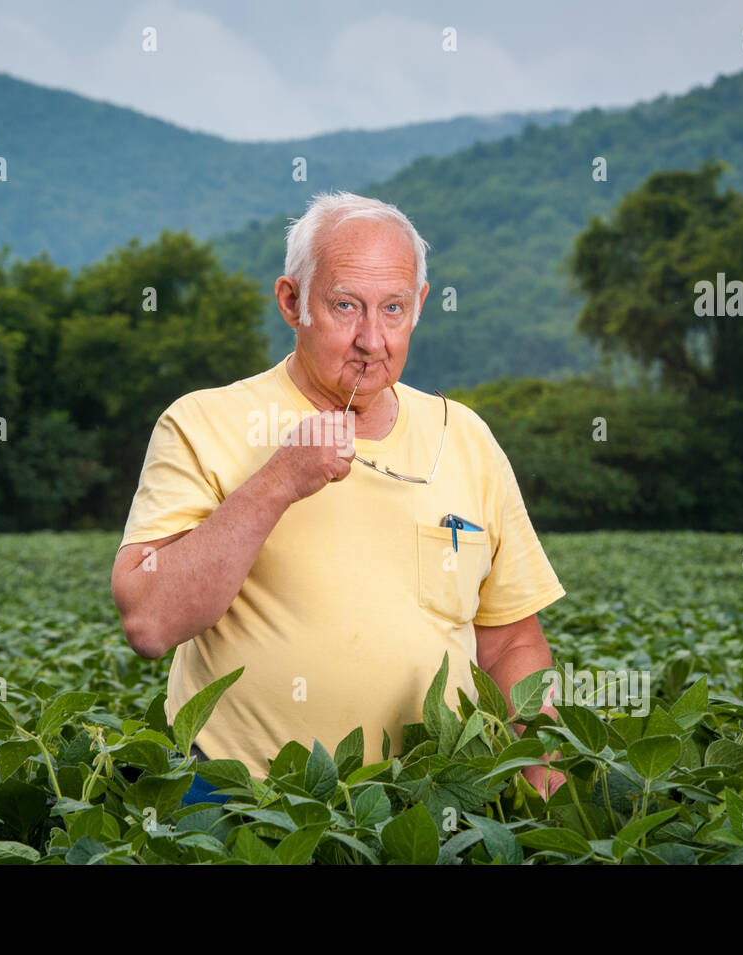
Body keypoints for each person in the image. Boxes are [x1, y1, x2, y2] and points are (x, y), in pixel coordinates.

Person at [111, 190, 566, 803]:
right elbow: (150, 620)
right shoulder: (202, 422)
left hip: (428, 802)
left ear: (420, 307)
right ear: (292, 301)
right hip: (233, 796)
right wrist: (279, 480)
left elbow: (511, 641)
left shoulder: (466, 438)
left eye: (394, 309)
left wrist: (546, 787)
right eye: (346, 306)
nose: (372, 339)